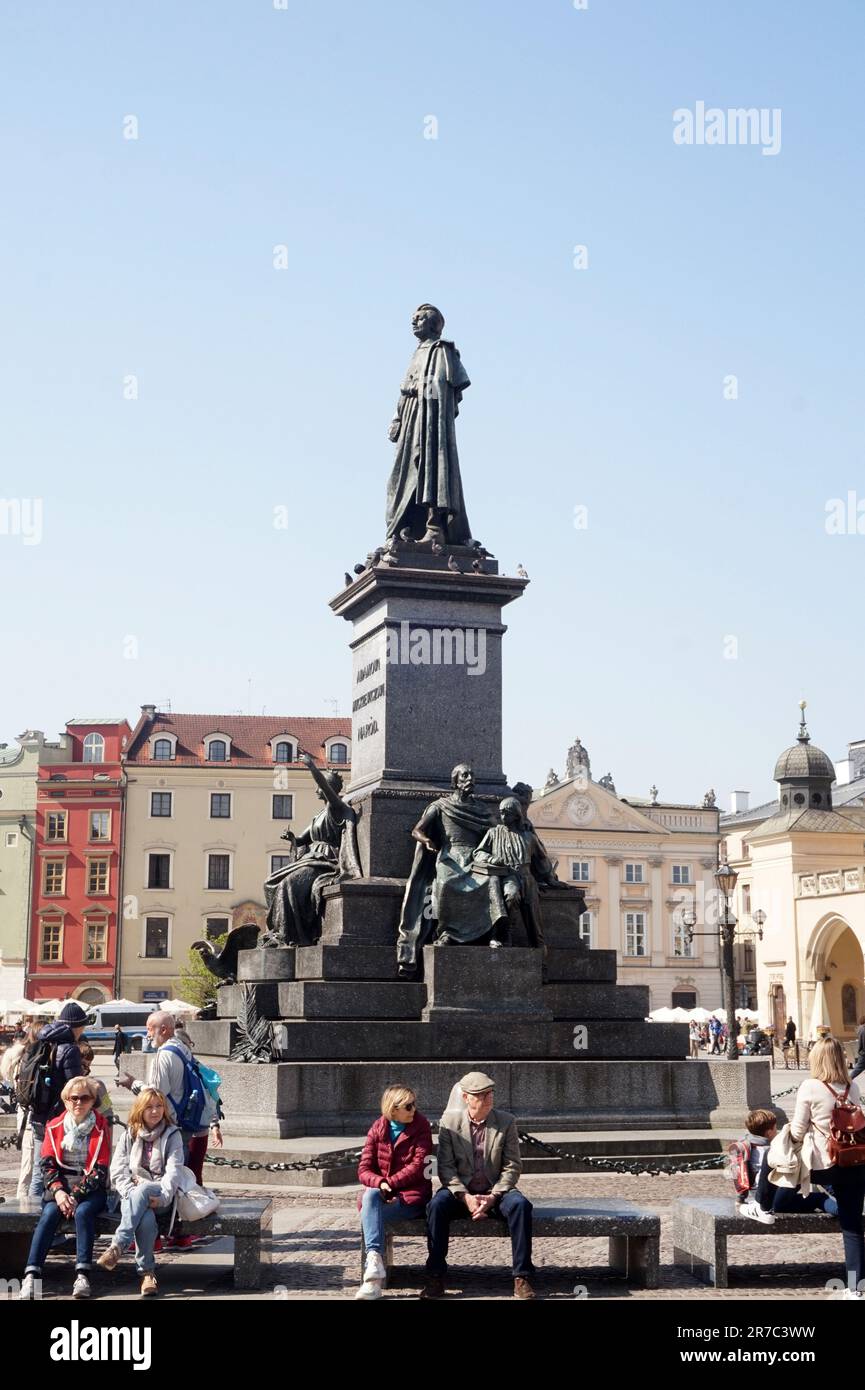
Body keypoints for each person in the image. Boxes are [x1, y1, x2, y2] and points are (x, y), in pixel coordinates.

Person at [422, 1071, 535, 1300]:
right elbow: (445, 1168)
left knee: (521, 1206)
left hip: (496, 1191)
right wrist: (465, 1197)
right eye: (480, 1095)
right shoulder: (450, 1124)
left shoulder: (505, 1122)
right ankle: (435, 1277)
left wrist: (493, 1196)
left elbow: (512, 1166)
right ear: (466, 1098)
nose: (487, 1098)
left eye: (490, 1093)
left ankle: (522, 1277)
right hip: (460, 1193)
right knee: (436, 1206)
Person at [19, 1076, 110, 1300]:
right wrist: (60, 1192)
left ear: (93, 1101)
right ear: (66, 1101)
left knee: (83, 1212)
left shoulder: (100, 1126)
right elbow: (47, 1165)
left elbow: (100, 1169)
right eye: (74, 1098)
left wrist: (76, 1196)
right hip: (60, 1186)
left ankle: (82, 1274)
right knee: (49, 1214)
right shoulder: (55, 1126)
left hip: (89, 1188)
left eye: (85, 1098)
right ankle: (31, 1273)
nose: (79, 1102)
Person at [790, 1036, 865, 1298]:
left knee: (782, 1178)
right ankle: (856, 1288)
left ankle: (763, 1205)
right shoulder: (851, 1086)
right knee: (852, 1226)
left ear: (816, 1059)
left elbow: (798, 1131)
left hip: (824, 1164)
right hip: (854, 1161)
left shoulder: (810, 1086)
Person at [98, 1087, 184, 1297]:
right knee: (144, 1218)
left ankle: (118, 1245)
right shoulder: (130, 1134)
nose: (155, 1111)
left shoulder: (172, 1135)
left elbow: (173, 1172)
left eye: (159, 1106)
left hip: (160, 1194)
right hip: (132, 1197)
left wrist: (163, 1196)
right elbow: (118, 1169)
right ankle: (147, 1274)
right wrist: (129, 1192)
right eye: (149, 1107)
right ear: (140, 1110)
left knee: (144, 1188)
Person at [119, 1011, 222, 1185]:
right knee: (191, 1176)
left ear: (164, 1029)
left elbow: (155, 1096)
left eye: (150, 1029)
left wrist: (133, 1084)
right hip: (191, 1121)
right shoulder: (182, 1049)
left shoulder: (164, 1055)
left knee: (175, 1177)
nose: (148, 1034)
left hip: (175, 1124)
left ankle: (177, 1209)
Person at [354, 1084, 433, 1300]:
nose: (414, 1109)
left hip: (412, 1199)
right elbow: (363, 1169)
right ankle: (374, 1265)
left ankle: (373, 1281)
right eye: (408, 1106)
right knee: (369, 1196)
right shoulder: (378, 1129)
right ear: (393, 1108)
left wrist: (390, 1182)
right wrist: (380, 1183)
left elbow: (420, 1168)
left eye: (414, 1104)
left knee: (370, 1211)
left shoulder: (422, 1126)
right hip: (383, 1196)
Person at [26, 1001, 88, 1198]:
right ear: (77, 1026)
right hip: (56, 1117)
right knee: (52, 1167)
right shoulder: (70, 1049)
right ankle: (43, 1215)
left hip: (37, 1111)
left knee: (39, 1167)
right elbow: (75, 1087)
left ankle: (30, 1214)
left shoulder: (43, 1042)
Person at [735, 1107, 837, 1224]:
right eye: (775, 1128)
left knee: (816, 1197)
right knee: (808, 1174)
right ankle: (844, 1206)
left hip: (759, 1199)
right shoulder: (775, 1150)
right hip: (774, 1201)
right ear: (769, 1132)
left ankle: (843, 1205)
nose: (777, 1131)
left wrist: (740, 1199)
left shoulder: (745, 1147)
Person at [77, 1042, 113, 1123]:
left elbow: (108, 1114)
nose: (86, 1069)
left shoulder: (98, 1085)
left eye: (88, 1065)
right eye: (83, 1064)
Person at [850, 1015, 865, 1081]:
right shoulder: (863, 1029)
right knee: (857, 1069)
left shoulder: (861, 1028)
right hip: (864, 1054)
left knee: (857, 1069)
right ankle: (846, 1081)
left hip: (862, 1053)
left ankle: (847, 1080)